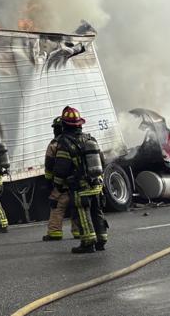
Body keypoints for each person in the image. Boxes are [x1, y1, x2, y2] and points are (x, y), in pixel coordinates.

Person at [52, 106, 108, 254]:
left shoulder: (65, 144)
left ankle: (88, 243)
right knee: (97, 211)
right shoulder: (90, 139)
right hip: (96, 184)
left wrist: (57, 186)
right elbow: (102, 161)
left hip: (80, 187)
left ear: (64, 125)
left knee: (83, 213)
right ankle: (101, 240)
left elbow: (61, 168)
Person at [43, 116, 80, 242]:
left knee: (57, 207)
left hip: (61, 184)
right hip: (76, 183)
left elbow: (49, 166)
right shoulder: (75, 141)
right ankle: (78, 231)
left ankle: (55, 232)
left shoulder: (54, 144)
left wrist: (49, 183)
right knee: (76, 206)